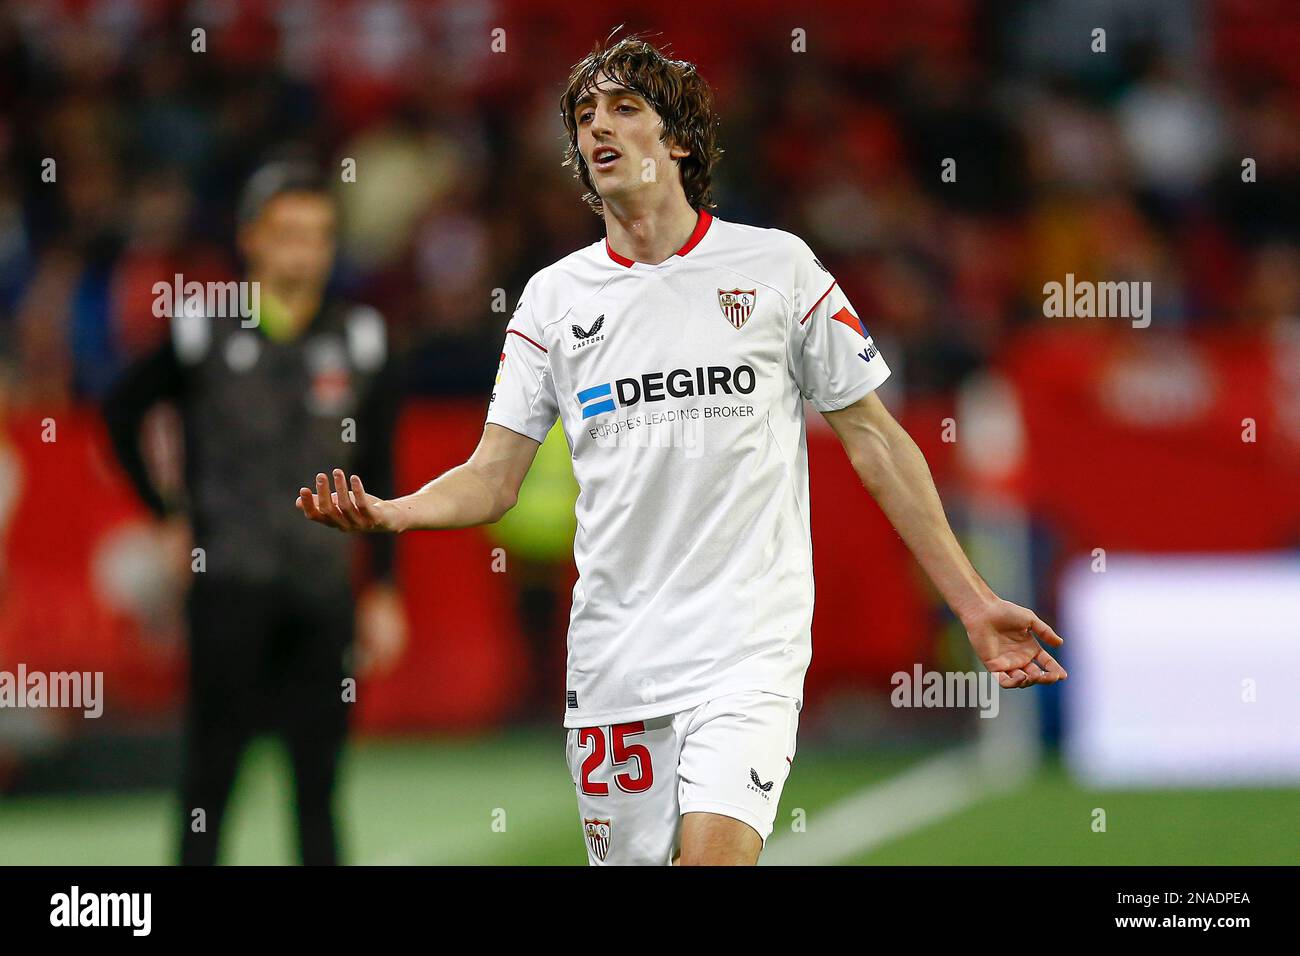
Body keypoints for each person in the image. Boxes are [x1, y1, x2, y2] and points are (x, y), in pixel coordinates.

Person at [295, 37, 1065, 866]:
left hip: (747, 648)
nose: (600, 127)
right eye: (586, 115)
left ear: (680, 142)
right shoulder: (554, 299)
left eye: (626, 108)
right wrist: (392, 511)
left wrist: (973, 600)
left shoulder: (777, 268)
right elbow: (493, 476)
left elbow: (876, 439)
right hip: (613, 657)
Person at [104, 161, 405, 865]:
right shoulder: (200, 334)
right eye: (289, 233)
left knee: (319, 781)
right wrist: (165, 512)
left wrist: (384, 588)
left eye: (320, 235)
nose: (306, 250)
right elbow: (120, 412)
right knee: (211, 776)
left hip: (321, 587)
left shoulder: (362, 338)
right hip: (228, 582)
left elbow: (384, 471)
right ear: (252, 240)